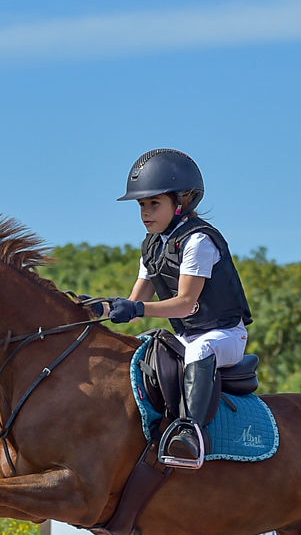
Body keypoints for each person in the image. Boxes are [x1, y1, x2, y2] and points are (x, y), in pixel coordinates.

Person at [107, 148, 253, 469]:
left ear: (182, 202)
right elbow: (136, 301)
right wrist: (99, 309)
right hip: (188, 337)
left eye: (154, 203)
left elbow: (186, 303)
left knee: (200, 350)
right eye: (142, 205)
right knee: (146, 345)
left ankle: (191, 434)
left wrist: (136, 310)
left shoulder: (198, 241)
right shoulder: (152, 245)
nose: (145, 212)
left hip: (224, 335)